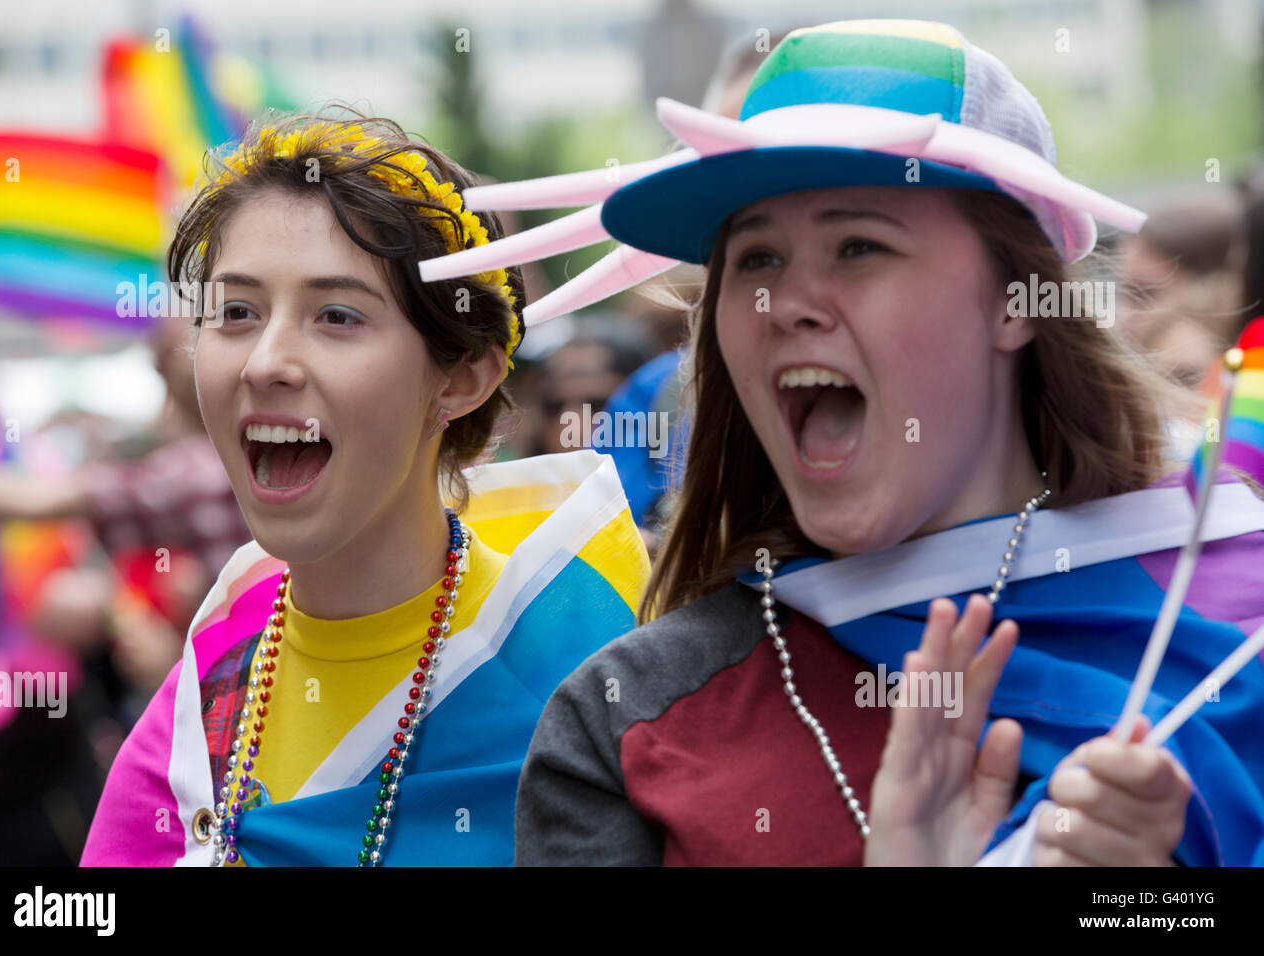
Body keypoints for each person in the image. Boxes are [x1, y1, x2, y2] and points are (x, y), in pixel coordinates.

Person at [440, 19, 1264, 865]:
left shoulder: (1234, 621)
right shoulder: (629, 718)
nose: (784, 303)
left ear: (1017, 299)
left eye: (858, 246)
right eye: (755, 259)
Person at [79, 110, 649, 866]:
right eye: (238, 312)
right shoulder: (198, 708)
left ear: (460, 378)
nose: (264, 363)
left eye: (337, 316)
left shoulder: (610, 674)